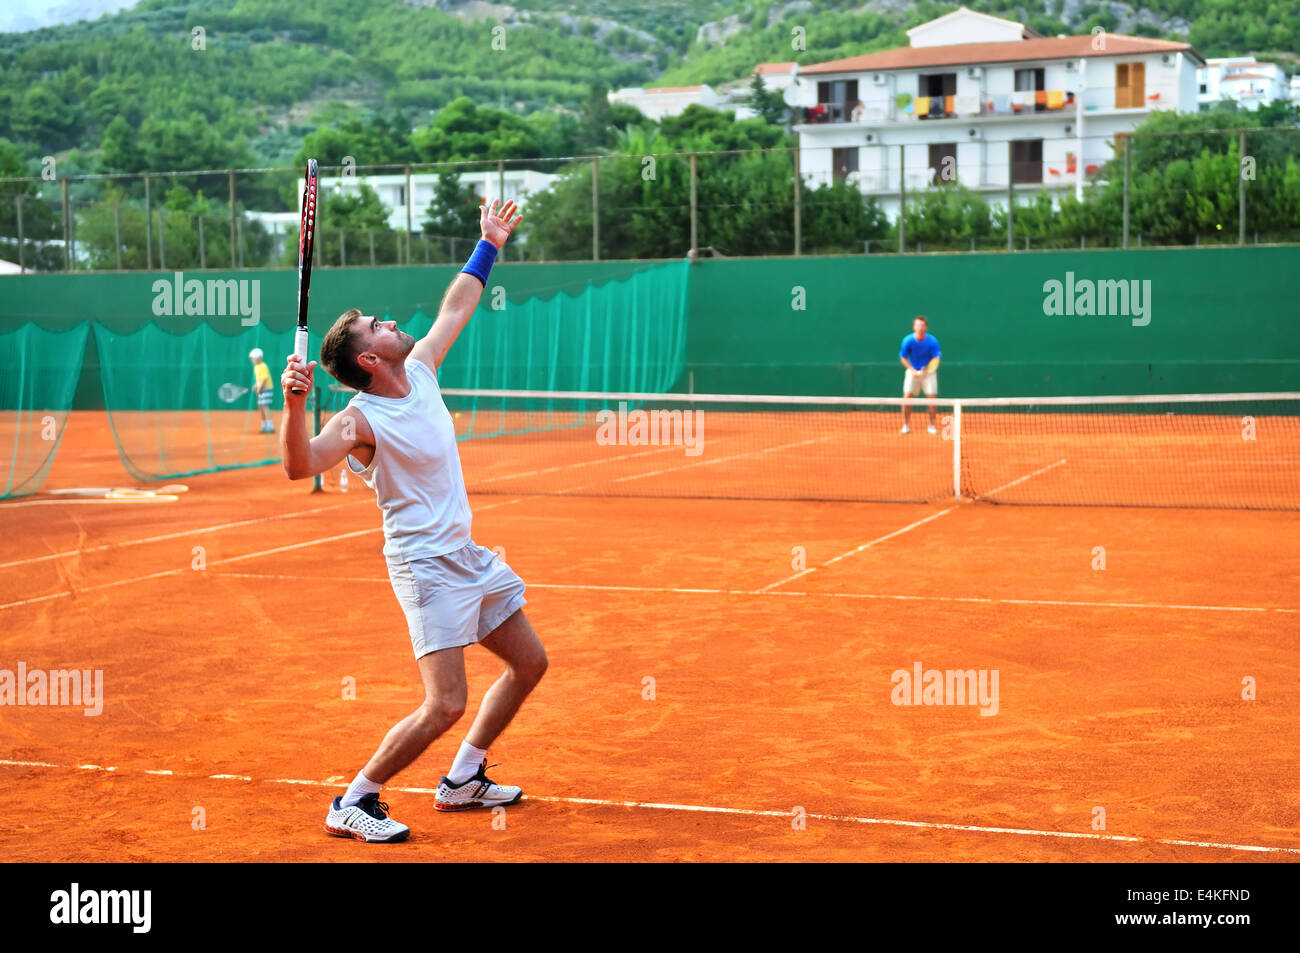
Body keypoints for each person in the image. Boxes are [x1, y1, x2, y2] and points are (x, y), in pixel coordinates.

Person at [279, 199, 547, 844]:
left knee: (530, 662)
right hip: (424, 566)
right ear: (368, 359)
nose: (391, 323)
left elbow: (457, 303)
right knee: (445, 703)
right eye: (377, 325)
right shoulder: (357, 420)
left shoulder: (420, 371)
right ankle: (355, 798)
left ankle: (464, 777)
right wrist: (294, 406)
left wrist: (488, 245)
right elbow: (300, 465)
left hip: (466, 555)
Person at [899, 315, 942, 435]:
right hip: (912, 372)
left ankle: (931, 426)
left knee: (932, 400)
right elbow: (903, 357)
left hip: (929, 374)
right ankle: (906, 425)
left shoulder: (932, 341)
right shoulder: (908, 340)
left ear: (926, 327)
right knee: (907, 398)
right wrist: (912, 370)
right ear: (914, 327)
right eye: (917, 325)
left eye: (922, 325)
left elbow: (936, 358)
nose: (920, 327)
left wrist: (926, 369)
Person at [249, 348, 275, 433]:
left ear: (259, 357)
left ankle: (270, 426)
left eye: (254, 358)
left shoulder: (263, 366)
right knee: (261, 407)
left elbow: (264, 379)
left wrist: (259, 388)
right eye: (252, 358)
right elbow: (259, 380)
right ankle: (264, 426)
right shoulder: (256, 367)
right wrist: (255, 386)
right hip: (261, 389)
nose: (252, 360)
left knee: (264, 406)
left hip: (266, 388)